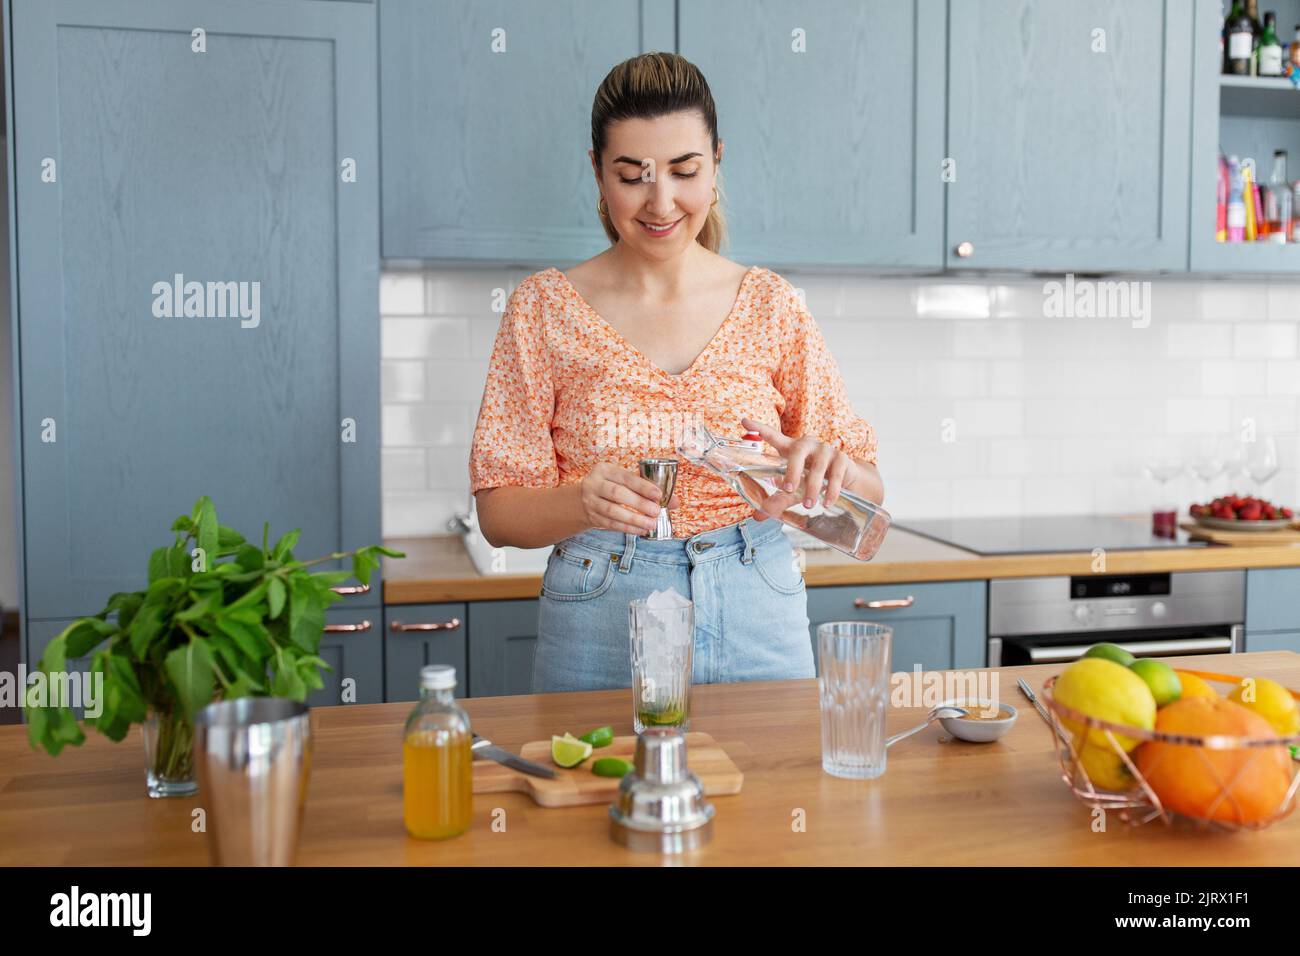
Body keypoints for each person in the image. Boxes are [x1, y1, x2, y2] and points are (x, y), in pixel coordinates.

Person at [469, 52, 883, 693]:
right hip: (601, 608)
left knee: (775, 793)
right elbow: (498, 512)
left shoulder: (771, 303)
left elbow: (868, 492)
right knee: (599, 789)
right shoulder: (543, 307)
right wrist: (580, 502)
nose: (660, 201)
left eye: (684, 171)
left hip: (758, 598)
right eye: (632, 175)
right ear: (598, 174)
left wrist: (829, 471)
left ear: (716, 162)